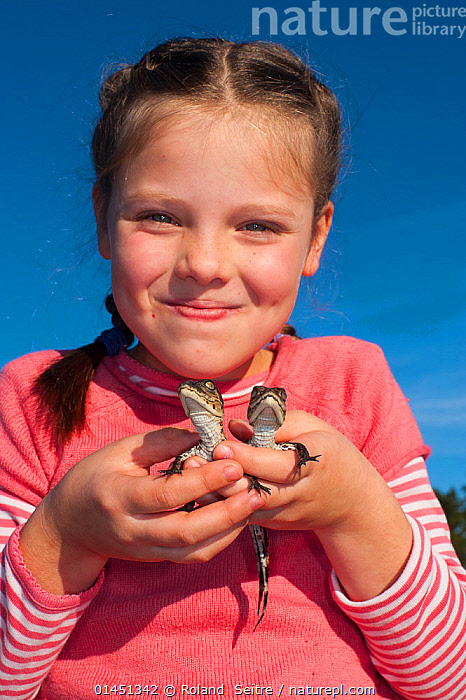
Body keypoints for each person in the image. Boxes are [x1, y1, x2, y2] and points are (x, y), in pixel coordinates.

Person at [0, 36, 464, 700]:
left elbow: (448, 681)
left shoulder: (354, 384)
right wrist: (65, 532)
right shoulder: (32, 399)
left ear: (316, 236)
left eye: (258, 226)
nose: (206, 263)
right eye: (160, 217)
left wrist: (354, 510)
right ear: (104, 218)